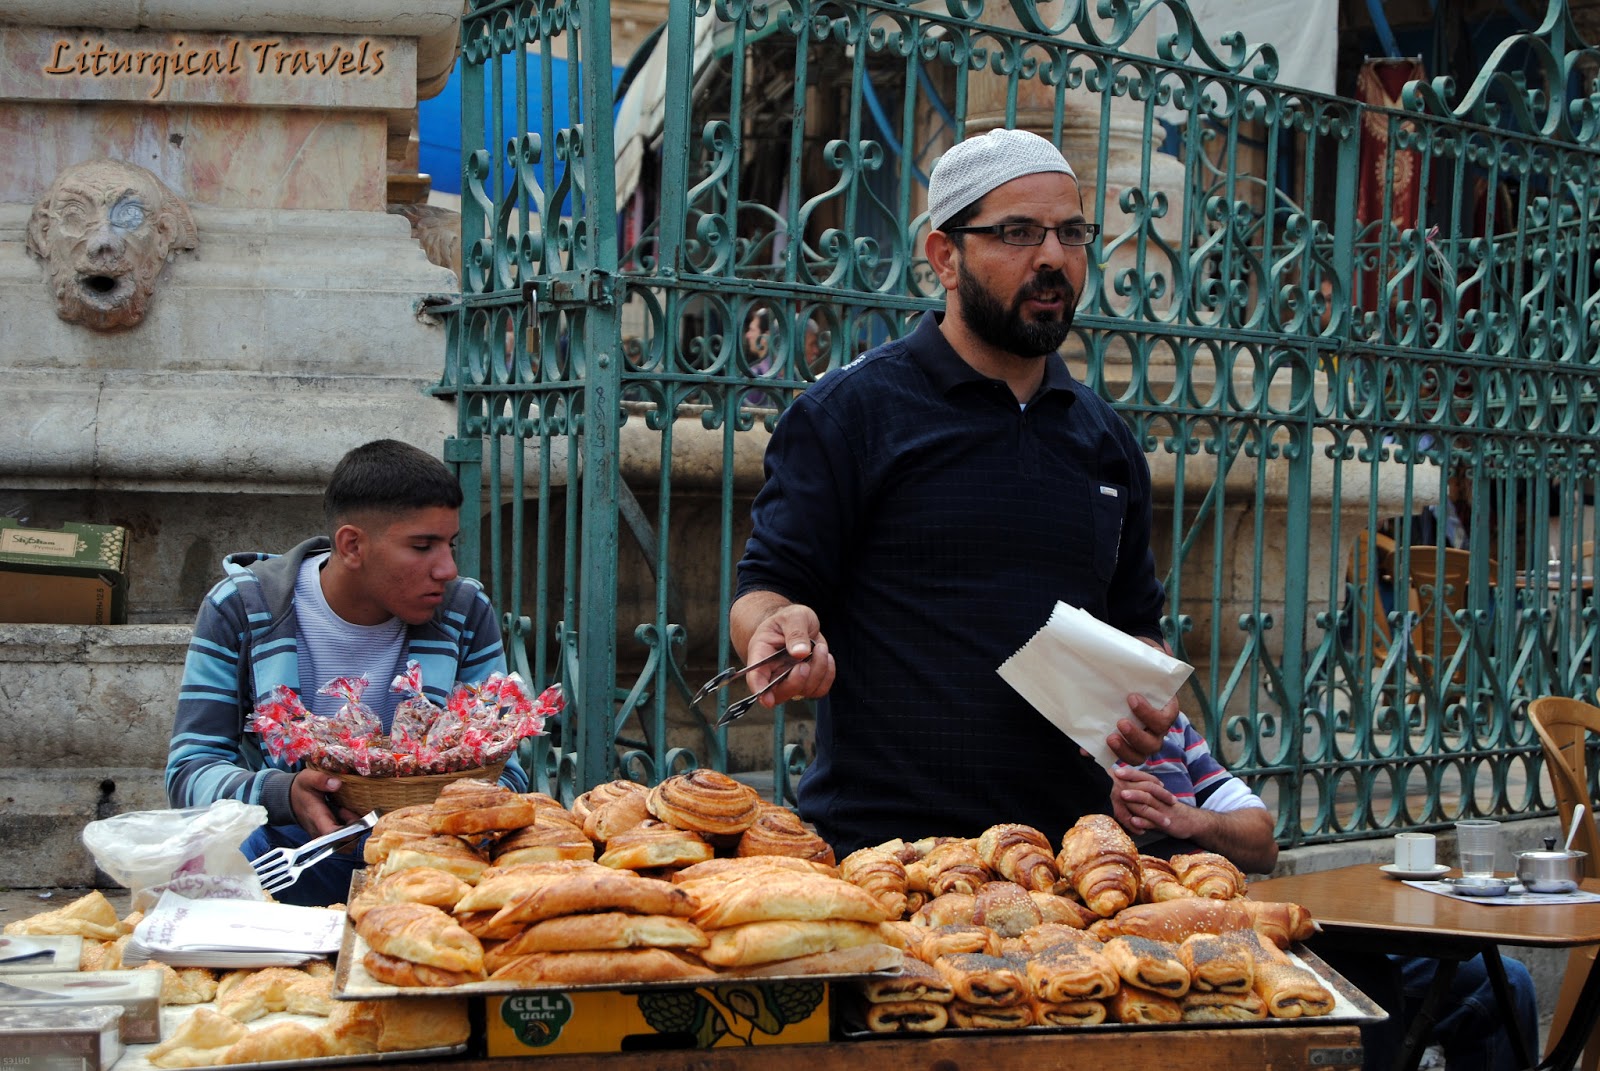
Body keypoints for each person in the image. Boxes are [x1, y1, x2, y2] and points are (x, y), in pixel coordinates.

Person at [731, 128, 1179, 856]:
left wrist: (1145, 694)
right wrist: (776, 629)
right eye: (1017, 233)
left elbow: (1137, 622)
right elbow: (767, 586)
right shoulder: (849, 414)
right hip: (890, 857)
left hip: (1067, 861)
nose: (1053, 259)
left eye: (1071, 233)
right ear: (944, 255)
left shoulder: (1105, 438)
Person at [165, 439, 526, 905]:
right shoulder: (242, 609)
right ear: (352, 544)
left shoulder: (463, 611)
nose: (447, 569)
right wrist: (284, 794)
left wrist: (444, 810)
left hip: (434, 873)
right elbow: (188, 772)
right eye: (422, 546)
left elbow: (508, 769)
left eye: (450, 544)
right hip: (285, 861)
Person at [1113, 714, 1539, 1071]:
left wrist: (1188, 820)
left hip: (1257, 934)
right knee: (1367, 992)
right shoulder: (1060, 745)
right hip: (1164, 954)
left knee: (1506, 984)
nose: (1162, 653)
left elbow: (1262, 843)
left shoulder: (1170, 726)